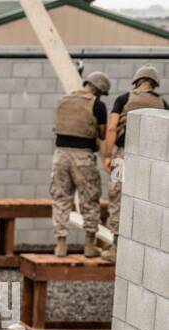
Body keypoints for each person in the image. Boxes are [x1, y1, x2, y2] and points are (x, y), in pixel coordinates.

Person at [103, 66, 165, 261]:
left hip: (123, 156)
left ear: (137, 81)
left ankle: (115, 248)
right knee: (147, 200)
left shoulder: (124, 99)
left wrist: (107, 155)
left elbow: (112, 127)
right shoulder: (162, 103)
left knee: (117, 197)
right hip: (149, 160)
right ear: (154, 83)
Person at [50, 72, 109, 258]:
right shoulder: (97, 105)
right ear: (99, 89)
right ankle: (89, 246)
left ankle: (60, 244)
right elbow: (102, 134)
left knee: (61, 198)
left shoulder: (63, 100)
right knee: (89, 199)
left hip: (60, 155)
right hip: (83, 156)